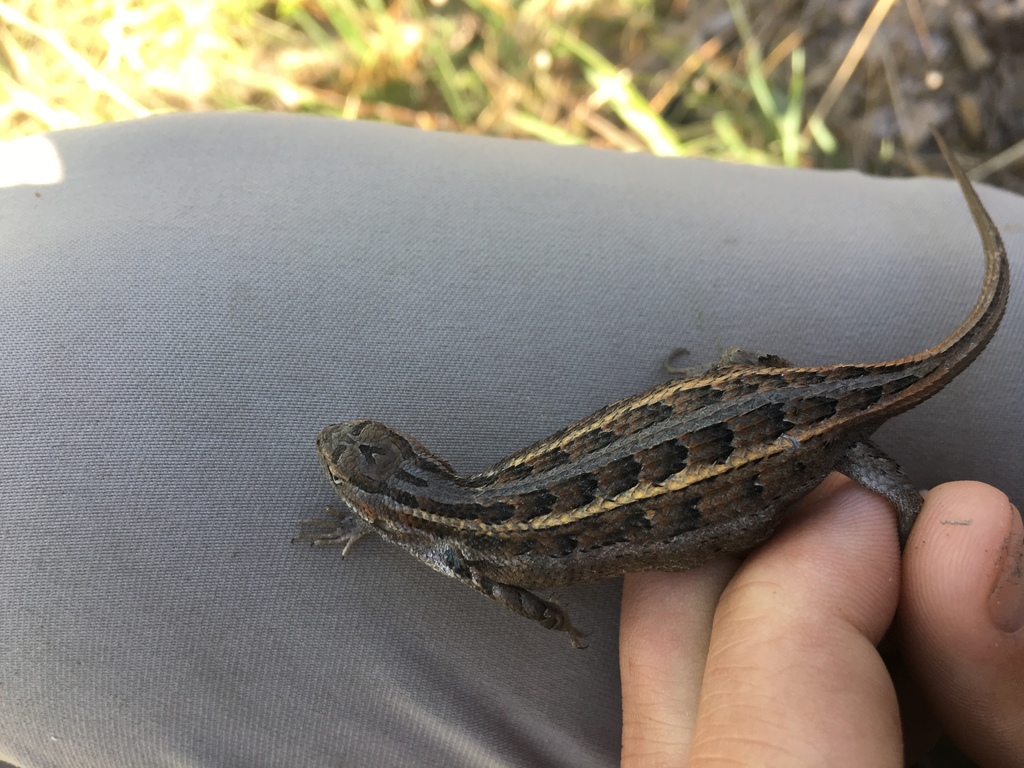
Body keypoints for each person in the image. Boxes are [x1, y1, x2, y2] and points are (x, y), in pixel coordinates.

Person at [0, 113, 1020, 767]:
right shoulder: (469, 503)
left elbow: (524, 599)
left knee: (880, 491)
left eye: (360, 461)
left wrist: (568, 632)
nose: (345, 446)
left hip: (804, 443)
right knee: (750, 415)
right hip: (749, 398)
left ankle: (897, 495)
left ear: (398, 488)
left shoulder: (472, 547)